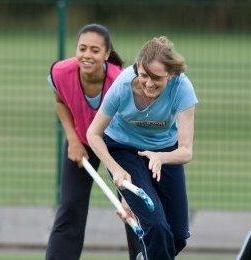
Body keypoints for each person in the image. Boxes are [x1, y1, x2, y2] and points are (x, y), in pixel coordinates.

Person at [86, 36, 198, 260]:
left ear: (171, 74)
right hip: (124, 150)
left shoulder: (182, 88)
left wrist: (160, 157)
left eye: (156, 78)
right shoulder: (123, 85)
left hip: (165, 152)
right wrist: (116, 169)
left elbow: (186, 150)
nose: (148, 83)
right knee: (155, 227)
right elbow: (93, 134)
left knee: (177, 235)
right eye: (144, 75)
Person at [45, 23, 139, 260]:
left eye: (95, 50)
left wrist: (121, 170)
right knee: (70, 208)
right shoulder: (61, 72)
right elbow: (60, 102)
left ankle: (144, 255)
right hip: (81, 142)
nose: (87, 55)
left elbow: (131, 127)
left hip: (118, 144)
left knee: (132, 208)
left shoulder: (120, 82)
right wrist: (73, 139)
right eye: (82, 48)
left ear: (107, 54)